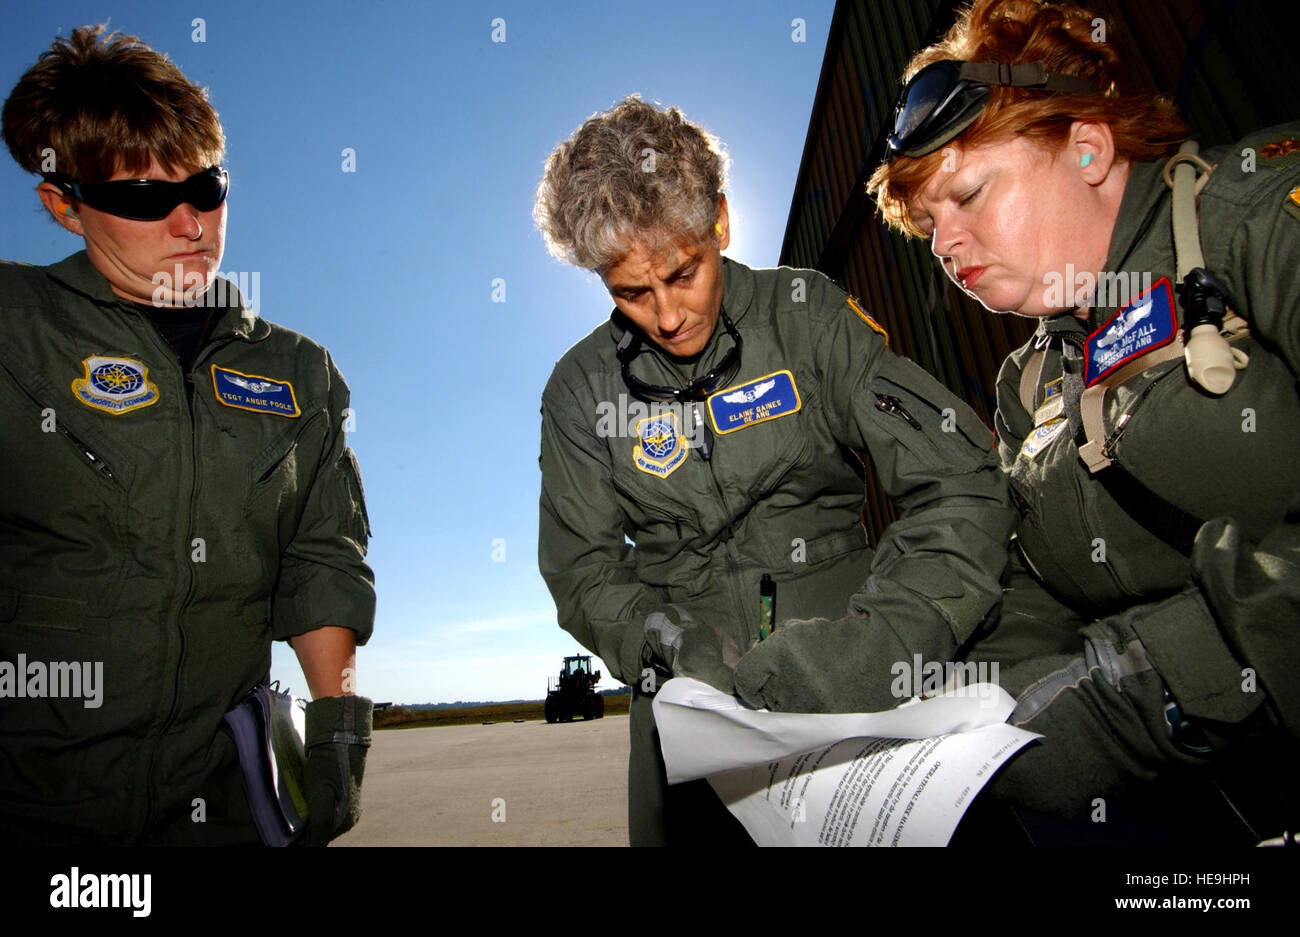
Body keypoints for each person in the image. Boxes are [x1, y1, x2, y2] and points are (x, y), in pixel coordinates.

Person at [865, 0, 1299, 842]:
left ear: (1089, 148)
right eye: (928, 230)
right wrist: (978, 698)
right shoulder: (1027, 378)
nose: (946, 246)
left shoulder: (1253, 215)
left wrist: (1154, 685)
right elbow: (1031, 584)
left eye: (967, 194)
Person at [534, 95, 1016, 845]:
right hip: (692, 717)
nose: (666, 315)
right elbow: (582, 570)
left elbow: (960, 479)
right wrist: (666, 643)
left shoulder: (808, 313)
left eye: (683, 271)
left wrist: (885, 642)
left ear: (720, 222)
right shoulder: (578, 389)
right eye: (630, 291)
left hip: (858, 688)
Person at [0, 26, 376, 845]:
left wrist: (339, 719)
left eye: (206, 189)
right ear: (63, 205)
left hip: (219, 807)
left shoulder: (300, 372)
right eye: (142, 198)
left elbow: (322, 562)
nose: (189, 223)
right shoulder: (13, 327)